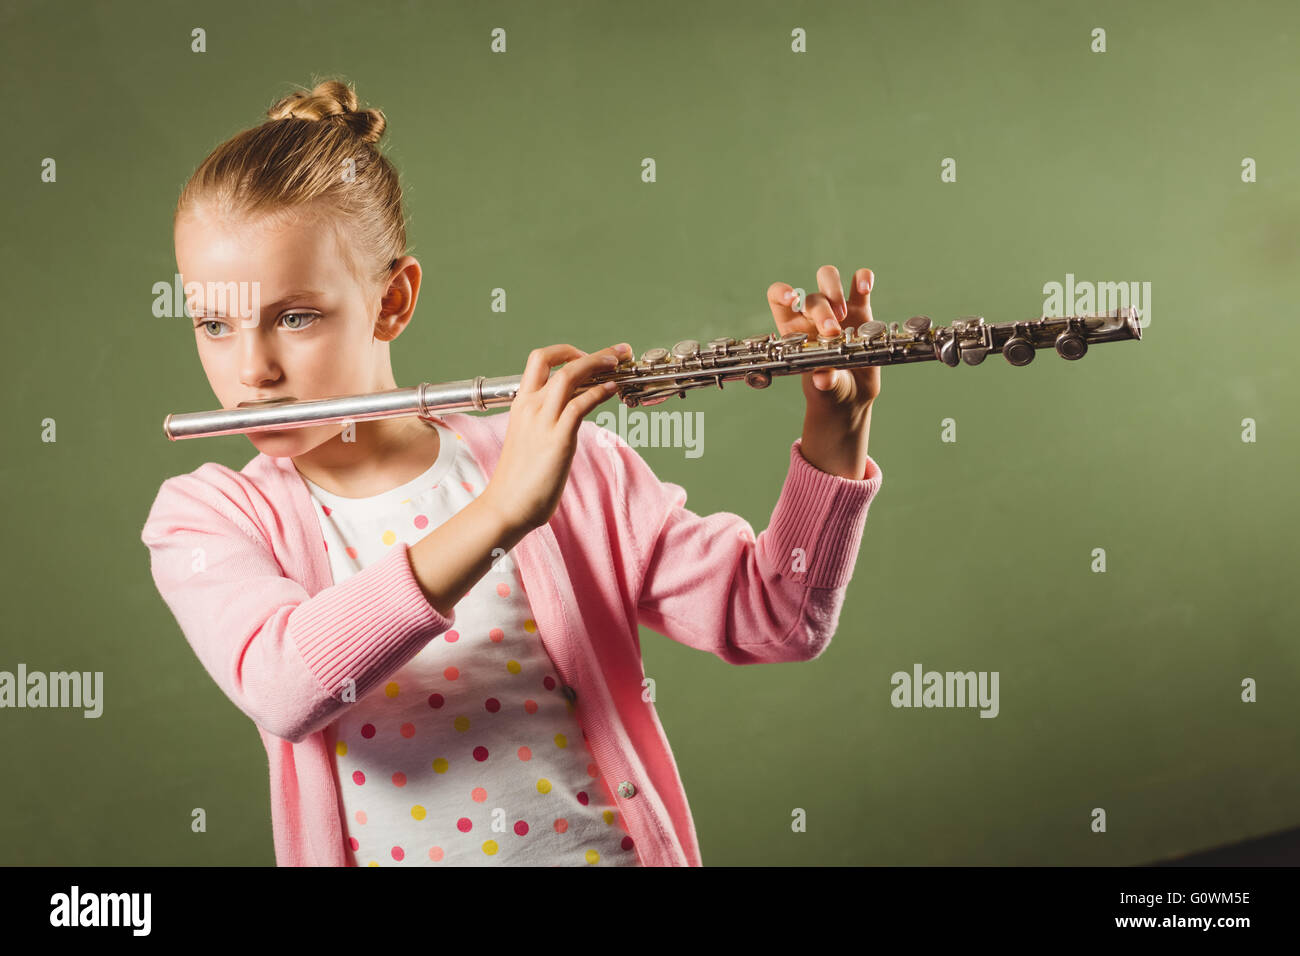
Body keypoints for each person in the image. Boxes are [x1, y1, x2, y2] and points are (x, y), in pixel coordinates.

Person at [140, 77, 885, 867]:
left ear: (392, 301)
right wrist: (499, 513)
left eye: (294, 318)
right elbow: (286, 686)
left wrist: (835, 431)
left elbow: (777, 619)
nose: (253, 369)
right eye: (214, 324)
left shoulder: (561, 462)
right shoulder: (206, 517)